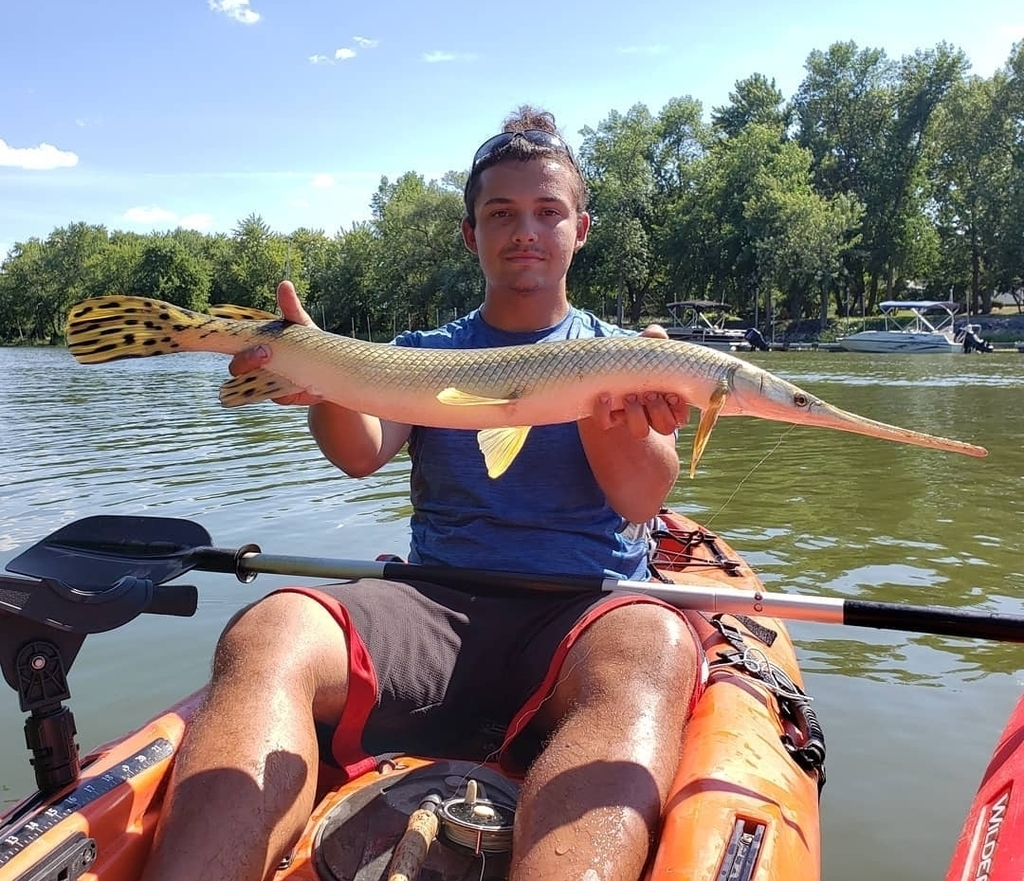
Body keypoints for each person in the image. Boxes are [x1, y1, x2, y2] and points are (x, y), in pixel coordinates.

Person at [140, 106, 706, 881]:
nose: (525, 231)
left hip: (584, 611)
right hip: (434, 606)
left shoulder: (630, 356)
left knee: (657, 644)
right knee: (272, 626)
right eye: (501, 213)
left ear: (582, 229)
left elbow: (642, 502)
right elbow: (360, 456)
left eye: (548, 212)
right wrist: (325, 380)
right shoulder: (418, 356)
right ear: (471, 235)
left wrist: (626, 425)